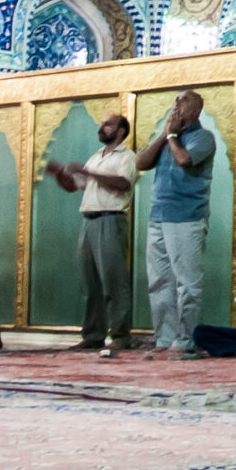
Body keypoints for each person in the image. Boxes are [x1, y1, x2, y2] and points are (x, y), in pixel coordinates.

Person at [44, 113, 137, 357]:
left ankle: (120, 336)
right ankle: (93, 336)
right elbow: (73, 186)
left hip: (110, 219)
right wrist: (60, 174)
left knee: (114, 281)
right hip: (88, 220)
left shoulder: (127, 157)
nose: (101, 127)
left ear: (120, 131)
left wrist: (90, 173)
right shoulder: (96, 157)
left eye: (107, 124)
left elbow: (123, 184)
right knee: (91, 283)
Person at [135, 91, 215, 358]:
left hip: (187, 218)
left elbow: (184, 160)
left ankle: (185, 342)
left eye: (184, 102)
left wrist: (171, 137)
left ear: (197, 110)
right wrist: (164, 135)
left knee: (187, 284)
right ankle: (165, 338)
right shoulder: (168, 138)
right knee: (159, 281)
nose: (178, 105)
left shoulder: (203, 138)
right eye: (177, 101)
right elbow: (140, 162)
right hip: (158, 216)